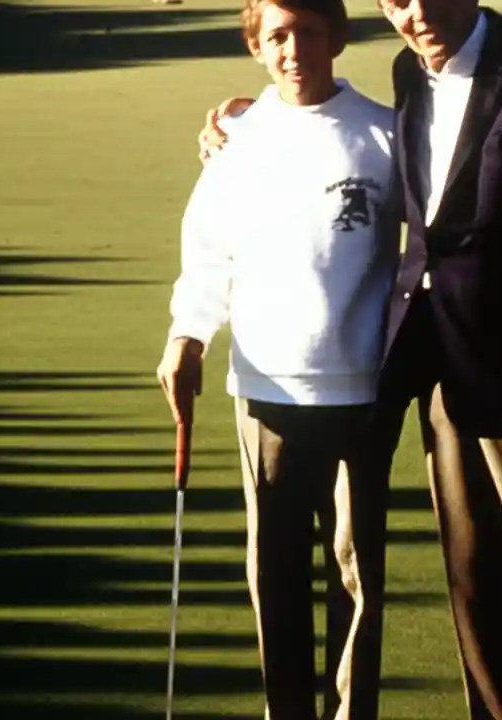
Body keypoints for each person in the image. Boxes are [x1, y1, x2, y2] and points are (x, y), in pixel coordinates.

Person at [201, 0, 502, 716]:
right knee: (474, 582)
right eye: (398, 0)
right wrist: (251, 118)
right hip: (442, 368)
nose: (417, 12)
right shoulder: (410, 73)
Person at [155, 1, 400, 718]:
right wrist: (187, 335)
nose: (294, 50)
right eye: (277, 37)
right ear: (257, 48)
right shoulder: (238, 139)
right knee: (276, 571)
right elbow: (208, 249)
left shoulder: (385, 133)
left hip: (363, 389)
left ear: (338, 37)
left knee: (358, 576)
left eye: (308, 33)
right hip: (267, 388)